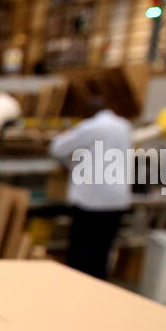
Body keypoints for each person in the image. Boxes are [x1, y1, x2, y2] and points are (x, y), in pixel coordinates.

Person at [49, 99, 133, 280]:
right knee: (102, 252)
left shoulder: (91, 127)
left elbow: (57, 148)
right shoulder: (123, 125)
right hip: (117, 199)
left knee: (81, 252)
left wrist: (69, 161)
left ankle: (79, 288)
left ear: (89, 111)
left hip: (92, 199)